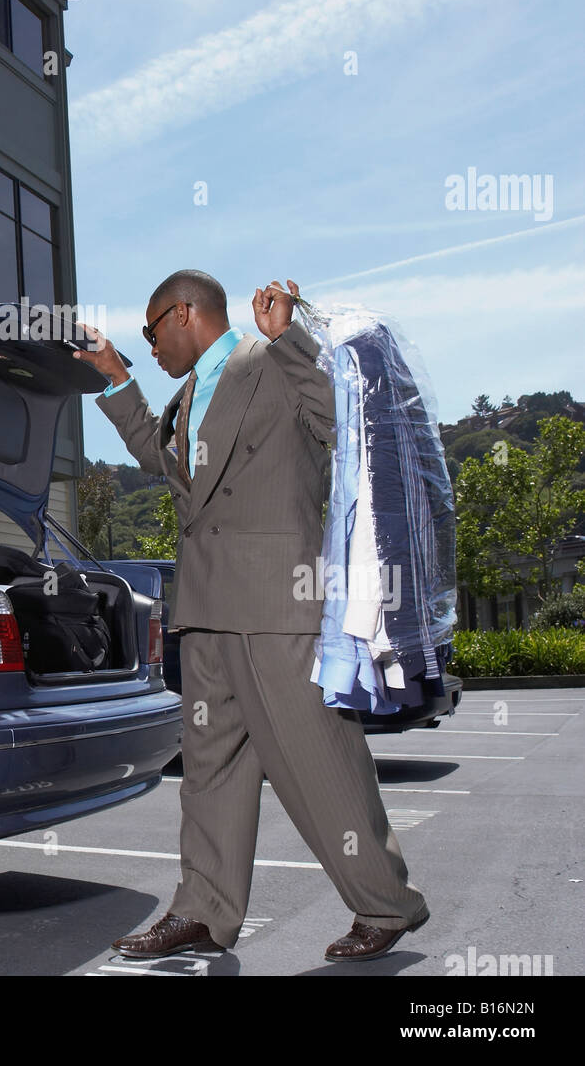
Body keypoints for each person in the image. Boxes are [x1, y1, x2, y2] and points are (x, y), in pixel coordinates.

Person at [71, 270, 429, 963]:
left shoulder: (270, 361)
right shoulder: (185, 401)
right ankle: (204, 911)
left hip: (275, 602)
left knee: (318, 760)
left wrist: (293, 338)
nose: (151, 348)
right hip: (205, 609)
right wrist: (115, 379)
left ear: (183, 315)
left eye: (150, 335)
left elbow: (341, 421)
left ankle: (387, 903)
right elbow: (165, 466)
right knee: (209, 773)